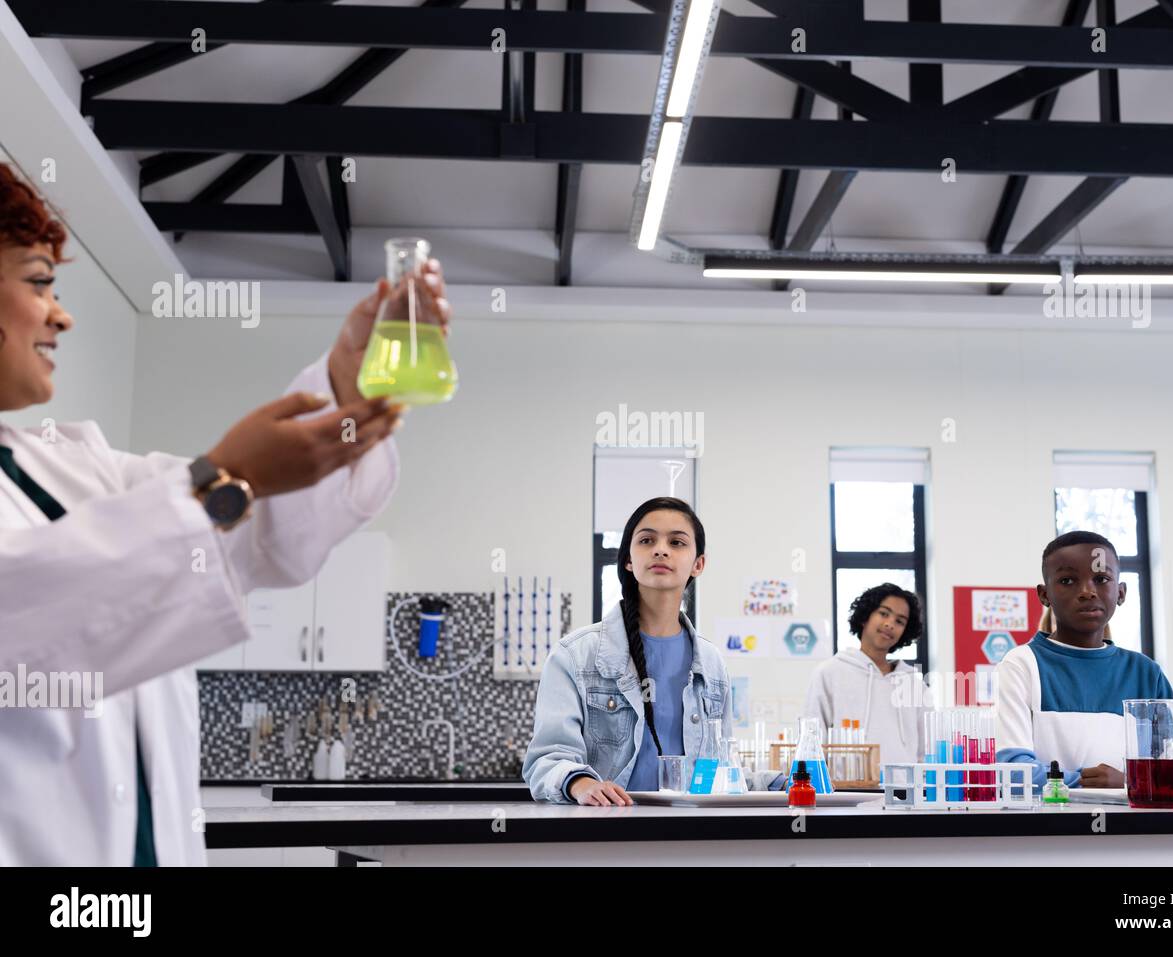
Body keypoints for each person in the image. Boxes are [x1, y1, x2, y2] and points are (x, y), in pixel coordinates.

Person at [0, 163, 451, 865]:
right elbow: (32, 605)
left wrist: (347, 383)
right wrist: (227, 479)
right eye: (36, 281)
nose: (63, 313)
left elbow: (255, 538)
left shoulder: (76, 464)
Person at [523, 497, 731, 805]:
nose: (661, 549)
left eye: (677, 542)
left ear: (698, 563)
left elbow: (722, 763)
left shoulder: (712, 663)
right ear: (629, 560)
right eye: (647, 540)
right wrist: (580, 784)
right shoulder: (576, 655)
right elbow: (547, 760)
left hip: (692, 834)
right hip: (604, 835)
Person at [995, 530, 1173, 791]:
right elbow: (1014, 771)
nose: (1087, 591)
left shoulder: (1147, 673)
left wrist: (1129, 781)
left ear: (1121, 593)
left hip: (1134, 829)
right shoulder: (1021, 664)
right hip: (1048, 827)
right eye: (1067, 580)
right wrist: (1085, 782)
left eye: (1101, 579)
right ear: (1044, 595)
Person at [804, 583, 928, 769]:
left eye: (900, 621)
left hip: (906, 792)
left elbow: (926, 749)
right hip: (847, 793)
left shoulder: (914, 684)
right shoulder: (829, 673)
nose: (890, 624)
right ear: (865, 617)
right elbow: (812, 739)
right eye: (884, 613)